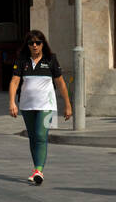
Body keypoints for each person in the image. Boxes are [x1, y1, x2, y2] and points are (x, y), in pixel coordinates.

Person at [7, 30, 72, 184]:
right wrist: (12, 102)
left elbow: (61, 83)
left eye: (38, 42)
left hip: (47, 106)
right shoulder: (22, 60)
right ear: (27, 45)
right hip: (27, 106)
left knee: (41, 136)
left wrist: (68, 105)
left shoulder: (51, 59)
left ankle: (39, 170)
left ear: (43, 44)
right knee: (33, 136)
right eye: (31, 43)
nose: (35, 45)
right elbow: (15, 81)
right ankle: (36, 168)